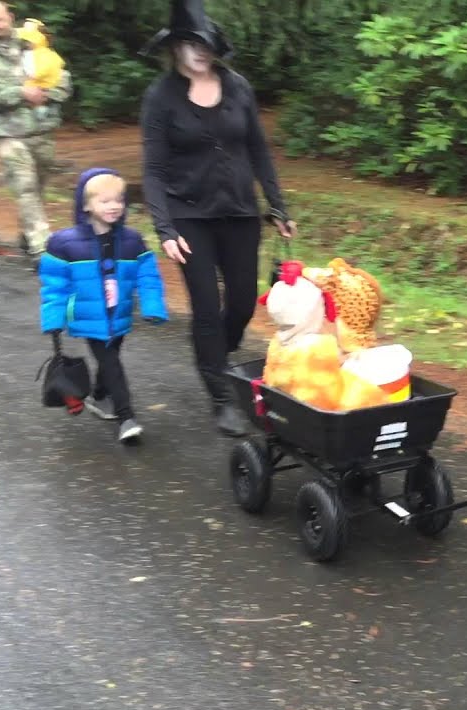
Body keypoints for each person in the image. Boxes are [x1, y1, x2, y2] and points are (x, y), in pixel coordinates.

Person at [138, 0, 296, 437]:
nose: (200, 51)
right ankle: (221, 395)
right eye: (190, 43)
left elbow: (260, 151)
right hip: (189, 217)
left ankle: (213, 358)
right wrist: (164, 228)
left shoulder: (238, 87)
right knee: (206, 307)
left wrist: (278, 206)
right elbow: (152, 170)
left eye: (205, 44)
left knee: (244, 301)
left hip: (241, 213)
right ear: (175, 48)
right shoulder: (161, 97)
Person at [38, 168, 170, 444]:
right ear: (85, 205)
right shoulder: (64, 243)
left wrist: (153, 305)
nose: (114, 207)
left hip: (119, 315)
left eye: (119, 200)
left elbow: (148, 276)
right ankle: (126, 417)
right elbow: (54, 285)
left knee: (109, 360)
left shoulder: (132, 241)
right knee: (111, 361)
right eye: (105, 201)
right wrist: (53, 318)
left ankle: (99, 394)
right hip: (89, 317)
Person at [0, 0, 72, 261]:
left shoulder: (30, 42)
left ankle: (28, 233)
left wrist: (45, 94)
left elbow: (60, 77)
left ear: (10, 17)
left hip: (41, 129)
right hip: (7, 133)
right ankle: (42, 249)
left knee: (39, 186)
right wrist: (20, 92)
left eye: (1, 19)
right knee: (25, 185)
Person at [15, 18, 65, 124]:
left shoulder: (42, 55)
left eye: (28, 40)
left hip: (42, 93)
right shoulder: (32, 53)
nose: (25, 42)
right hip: (33, 94)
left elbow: (34, 74)